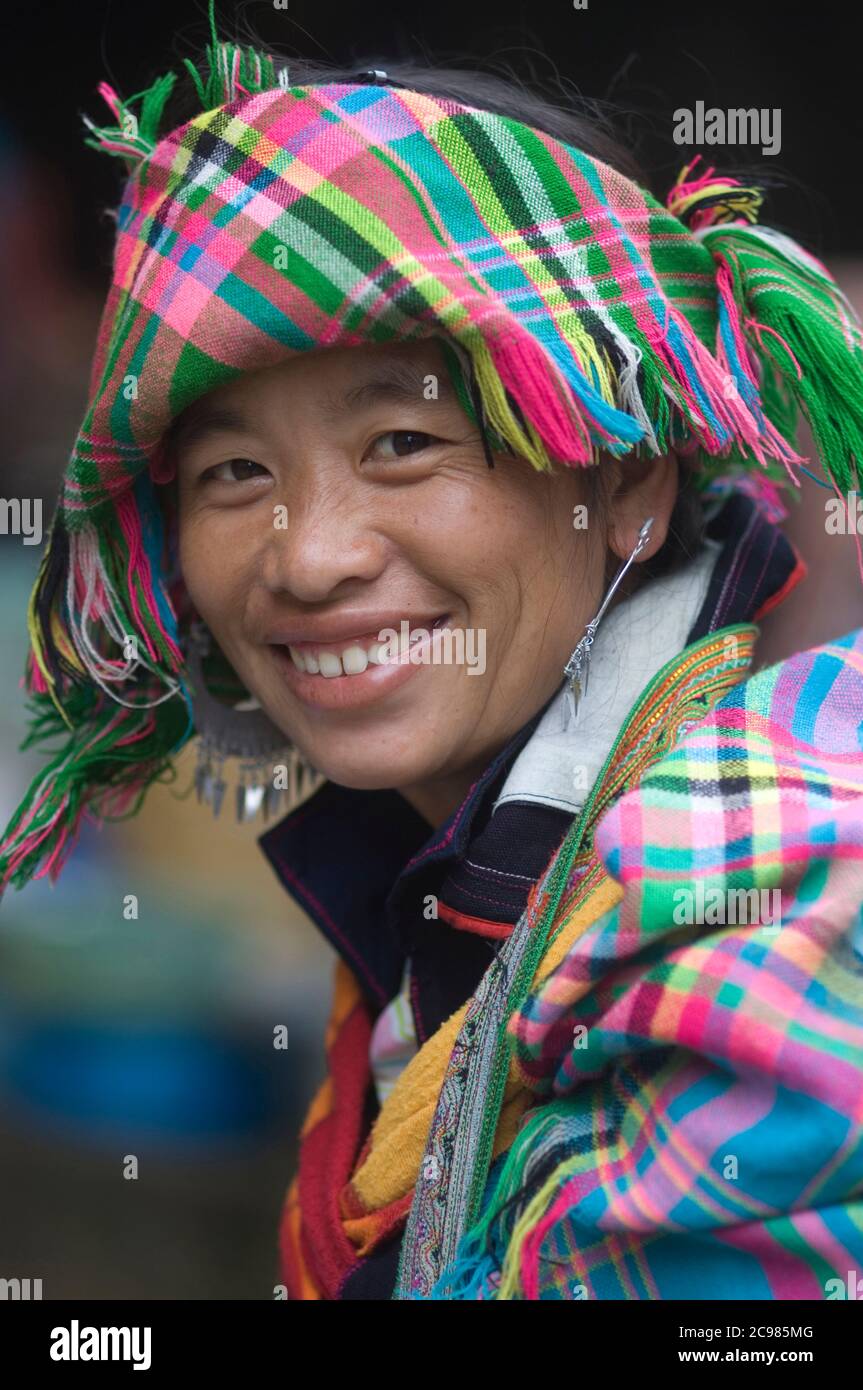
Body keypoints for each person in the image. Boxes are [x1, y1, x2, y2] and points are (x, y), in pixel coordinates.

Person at [2, 8, 863, 1300]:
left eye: (404, 444)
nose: (308, 556)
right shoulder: (457, 901)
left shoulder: (749, 902)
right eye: (237, 470)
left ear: (626, 478)